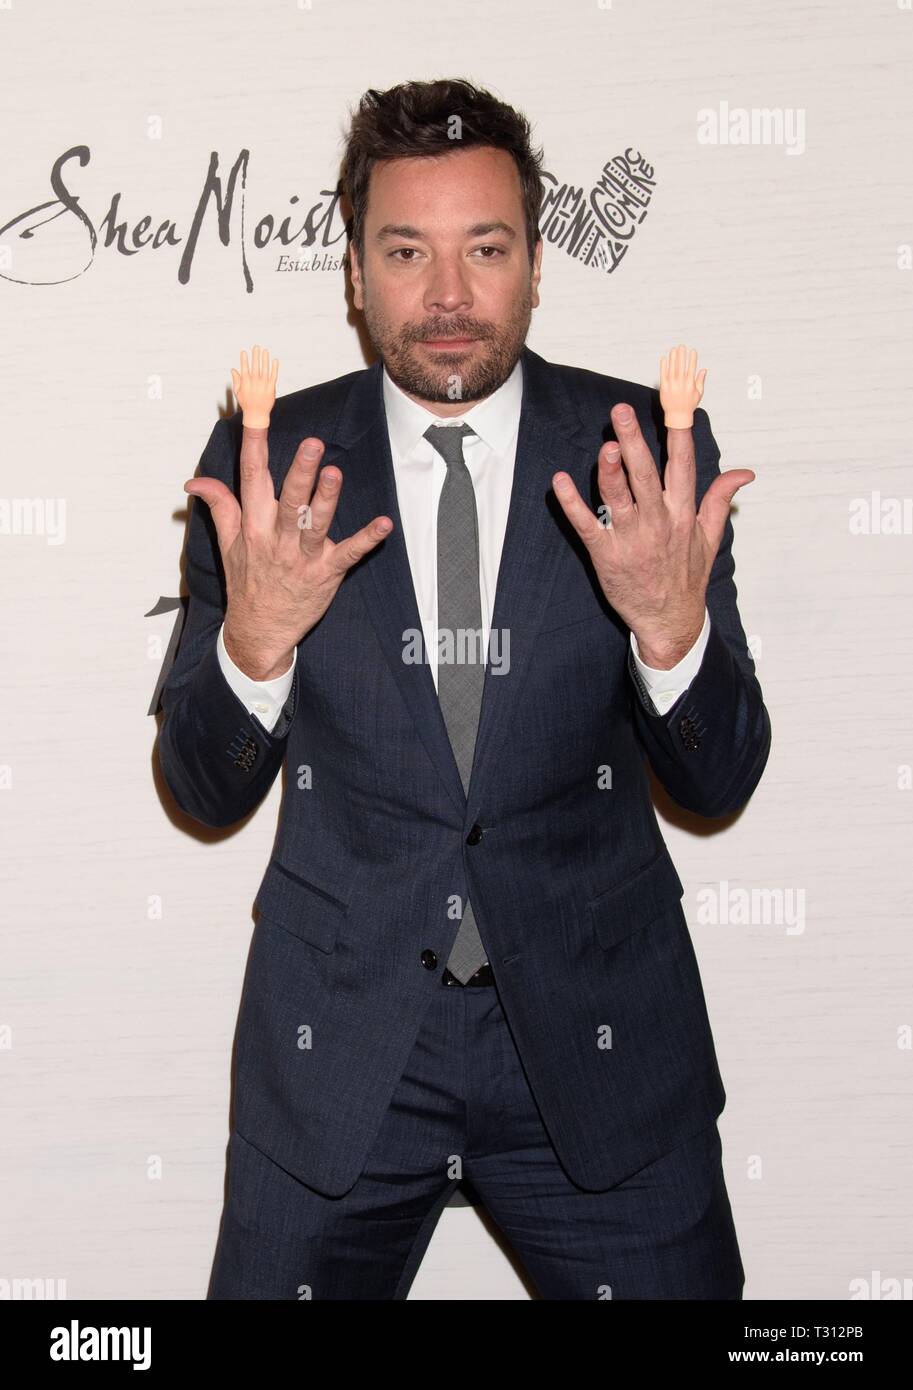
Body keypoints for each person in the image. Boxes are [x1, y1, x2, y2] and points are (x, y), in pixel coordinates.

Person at [157, 77, 771, 1300]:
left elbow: (720, 773)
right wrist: (256, 648)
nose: (447, 296)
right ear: (353, 271)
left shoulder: (638, 450)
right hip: (341, 1049)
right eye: (406, 252)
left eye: (484, 248)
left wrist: (670, 629)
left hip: (598, 1047)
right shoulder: (269, 460)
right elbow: (198, 786)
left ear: (535, 261)